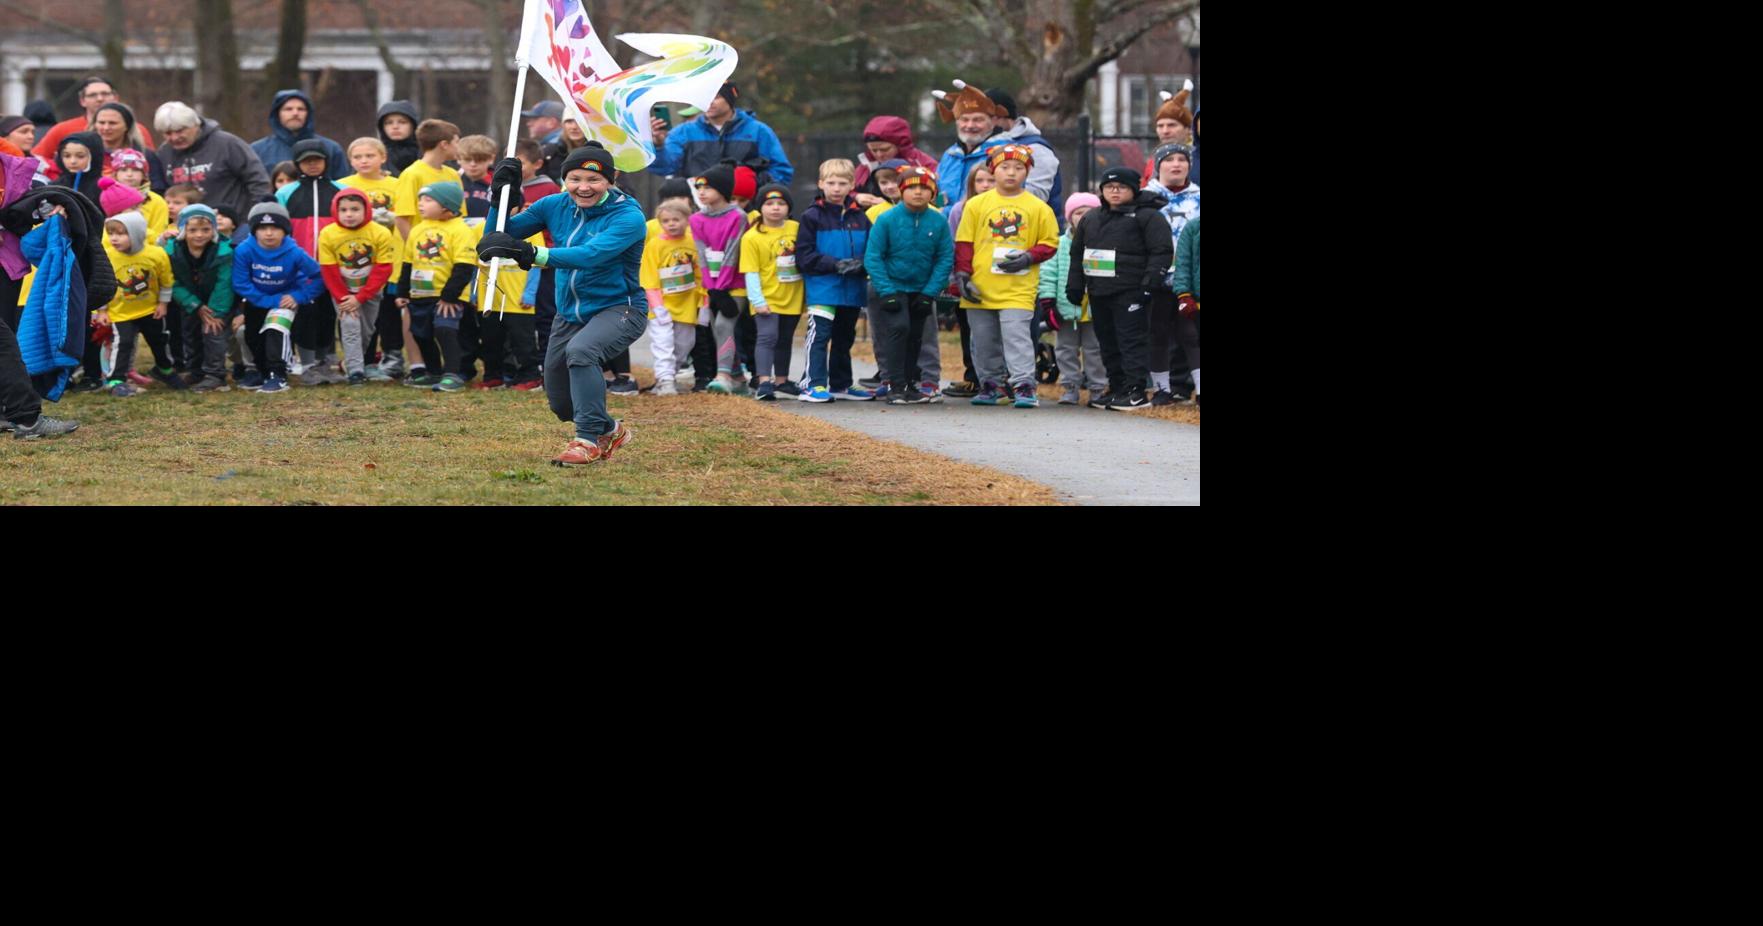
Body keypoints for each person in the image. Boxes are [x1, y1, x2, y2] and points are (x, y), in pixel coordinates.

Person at [478, 142, 647, 466]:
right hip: (568, 314)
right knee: (561, 404)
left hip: (619, 308)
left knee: (582, 351)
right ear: (564, 179)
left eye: (593, 180)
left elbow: (591, 255)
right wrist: (499, 200)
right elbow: (495, 239)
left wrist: (532, 254)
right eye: (575, 179)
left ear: (610, 181)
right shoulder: (553, 205)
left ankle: (585, 441)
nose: (583, 187)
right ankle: (609, 429)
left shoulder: (628, 216)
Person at [952, 144, 1059, 408]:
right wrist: (963, 275)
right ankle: (991, 384)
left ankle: (1023, 385)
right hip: (981, 286)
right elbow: (964, 242)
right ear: (993, 170)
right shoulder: (976, 205)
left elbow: (1049, 243)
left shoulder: (1038, 207)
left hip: (1018, 287)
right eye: (1004, 167)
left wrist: (1028, 256)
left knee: (1017, 338)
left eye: (1019, 168)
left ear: (1028, 172)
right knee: (983, 339)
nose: (1011, 173)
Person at [1064, 167, 1173, 412]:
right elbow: (1077, 254)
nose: (1115, 191)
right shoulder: (1091, 218)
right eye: (1109, 187)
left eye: (1122, 187)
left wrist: (1149, 284)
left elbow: (1161, 252)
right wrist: (1075, 285)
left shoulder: (1148, 216)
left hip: (1132, 290)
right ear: (1101, 190)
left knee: (1131, 341)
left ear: (1134, 189)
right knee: (1108, 341)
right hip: (1099, 290)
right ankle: (1117, 387)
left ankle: (1135, 392)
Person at [0, 148, 79, 438]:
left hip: (5, 263)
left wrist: (53, 206)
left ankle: (8, 412)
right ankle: (27, 418)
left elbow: (36, 198)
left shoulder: (14, 167)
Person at [864, 165, 952, 405]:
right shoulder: (887, 219)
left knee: (915, 335)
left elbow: (944, 258)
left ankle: (911, 383)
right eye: (912, 187)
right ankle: (894, 384)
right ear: (902, 190)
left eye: (924, 188)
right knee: (899, 329)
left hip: (921, 288)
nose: (918, 192)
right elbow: (873, 256)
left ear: (932, 193)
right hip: (892, 286)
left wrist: (931, 291)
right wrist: (886, 290)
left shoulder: (938, 221)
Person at [793, 158, 874, 403]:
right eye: (831, 183)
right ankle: (812, 383)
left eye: (842, 183)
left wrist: (862, 264)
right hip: (823, 286)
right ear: (821, 183)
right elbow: (804, 255)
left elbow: (872, 248)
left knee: (844, 337)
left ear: (852, 184)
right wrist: (834, 264)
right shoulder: (811, 216)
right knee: (819, 335)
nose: (836, 188)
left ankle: (841, 384)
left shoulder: (861, 217)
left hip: (852, 288)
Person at [232, 202, 323, 393]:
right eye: (263, 228)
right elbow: (241, 283)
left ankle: (278, 374)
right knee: (252, 336)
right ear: (254, 230)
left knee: (275, 328)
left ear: (285, 231)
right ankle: (262, 372)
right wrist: (266, 301)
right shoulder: (244, 250)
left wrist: (299, 296)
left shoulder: (295, 252)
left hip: (285, 301)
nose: (269, 233)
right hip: (257, 300)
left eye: (275, 228)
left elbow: (318, 277)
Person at [395, 181, 476, 392]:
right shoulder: (417, 230)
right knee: (420, 332)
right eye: (420, 199)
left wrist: (449, 296)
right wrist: (402, 292)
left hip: (448, 296)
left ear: (447, 206)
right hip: (420, 294)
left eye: (428, 200)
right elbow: (408, 263)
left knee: (445, 329)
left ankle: (453, 374)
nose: (421, 204)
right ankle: (433, 372)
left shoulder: (460, 230)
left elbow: (464, 266)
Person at [317, 188, 397, 385]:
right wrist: (344, 297)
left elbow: (383, 268)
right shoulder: (328, 233)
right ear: (336, 211)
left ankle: (352, 362)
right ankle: (355, 372)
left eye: (355, 209)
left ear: (366, 210)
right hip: (343, 294)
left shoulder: (380, 232)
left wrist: (361, 297)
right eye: (343, 210)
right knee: (350, 326)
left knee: (366, 330)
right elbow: (329, 269)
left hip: (370, 292)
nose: (349, 214)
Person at [1037, 193, 1107, 406]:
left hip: (1094, 310)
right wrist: (1048, 302)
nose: (1083, 217)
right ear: (1069, 217)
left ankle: (1097, 387)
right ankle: (1070, 387)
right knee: (1065, 349)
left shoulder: (1104, 243)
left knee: (1095, 350)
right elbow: (1048, 274)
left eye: (1089, 212)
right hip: (1065, 309)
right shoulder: (1059, 245)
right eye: (1078, 212)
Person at [648, 82, 794, 185]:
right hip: (695, 213)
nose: (709, 102)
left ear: (730, 100)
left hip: (747, 212)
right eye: (705, 97)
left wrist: (748, 187)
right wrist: (659, 146)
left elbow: (781, 171)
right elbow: (664, 168)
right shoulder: (683, 132)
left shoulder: (759, 131)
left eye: (716, 97)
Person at [99, 212, 178, 396]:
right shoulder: (108, 256)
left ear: (136, 233)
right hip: (121, 313)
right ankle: (116, 380)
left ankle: (165, 370)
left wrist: (163, 303)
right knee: (123, 344)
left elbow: (166, 280)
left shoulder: (156, 254)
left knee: (159, 340)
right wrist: (102, 311)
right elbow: (102, 285)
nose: (114, 238)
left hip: (151, 310)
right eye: (111, 233)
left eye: (120, 234)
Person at [155, 102, 271, 226]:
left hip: (231, 227)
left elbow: (258, 180)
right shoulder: (164, 153)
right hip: (187, 231)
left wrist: (254, 218)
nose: (174, 138)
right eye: (168, 133)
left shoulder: (227, 144)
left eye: (180, 131)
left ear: (195, 125)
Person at [740, 184, 803, 401]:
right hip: (766, 298)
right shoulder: (752, 237)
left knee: (785, 339)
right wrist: (757, 300)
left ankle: (782, 381)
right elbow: (751, 271)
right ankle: (764, 381)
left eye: (781, 203)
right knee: (767, 338)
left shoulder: (796, 228)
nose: (775, 208)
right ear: (760, 208)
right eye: (769, 203)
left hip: (793, 295)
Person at [163, 204, 234, 391]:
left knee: (212, 331)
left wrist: (215, 312)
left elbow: (224, 283)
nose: (199, 235)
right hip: (189, 300)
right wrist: (194, 305)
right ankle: (196, 371)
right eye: (192, 230)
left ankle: (215, 374)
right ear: (182, 230)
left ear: (214, 230)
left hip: (217, 303)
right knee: (190, 333)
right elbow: (171, 281)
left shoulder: (224, 251)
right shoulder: (172, 251)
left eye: (205, 229)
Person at [639, 197, 700, 397]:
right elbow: (648, 276)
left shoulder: (694, 241)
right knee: (663, 343)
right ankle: (665, 380)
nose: (671, 224)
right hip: (662, 305)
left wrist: (703, 300)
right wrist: (657, 306)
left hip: (687, 303)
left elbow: (700, 272)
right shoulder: (655, 245)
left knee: (685, 344)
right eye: (666, 221)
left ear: (687, 219)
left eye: (676, 219)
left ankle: (670, 376)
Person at [31, 76, 157, 172]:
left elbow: (149, 164)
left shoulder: (137, 130)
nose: (100, 99)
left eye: (105, 94)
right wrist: (62, 168)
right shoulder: (63, 130)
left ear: (116, 97)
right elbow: (36, 159)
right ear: (82, 101)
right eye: (93, 95)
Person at [983, 89, 1063, 216]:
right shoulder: (985, 145)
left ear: (1002, 116)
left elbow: (1037, 195)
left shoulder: (1035, 148)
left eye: (985, 118)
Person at [932, 80, 1010, 210]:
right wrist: (939, 209)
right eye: (964, 119)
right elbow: (939, 194)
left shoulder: (1005, 154)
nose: (969, 125)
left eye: (978, 120)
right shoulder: (950, 155)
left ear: (994, 121)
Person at [251, 90, 348, 181]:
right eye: (288, 109)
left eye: (301, 109)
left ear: (308, 113)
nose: (295, 113)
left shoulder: (331, 149)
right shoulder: (257, 151)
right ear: (277, 114)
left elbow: (343, 189)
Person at [853, 116, 939, 207]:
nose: (879, 155)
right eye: (873, 150)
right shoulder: (867, 164)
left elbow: (938, 196)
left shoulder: (923, 164)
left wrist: (889, 204)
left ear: (900, 145)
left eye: (885, 149)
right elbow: (846, 188)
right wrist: (857, 196)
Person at [92, 103, 167, 191]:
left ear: (127, 126)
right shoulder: (87, 155)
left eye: (113, 123)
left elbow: (157, 188)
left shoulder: (145, 155)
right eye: (101, 122)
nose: (106, 127)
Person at [1169, 214, 1199, 405]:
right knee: (1193, 343)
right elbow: (1183, 263)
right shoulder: (1193, 227)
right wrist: (1183, 294)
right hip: (1196, 299)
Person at [1142, 81, 1194, 186]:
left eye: (1172, 125)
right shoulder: (1154, 158)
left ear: (1188, 129)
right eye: (1160, 126)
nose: (1165, 131)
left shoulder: (1196, 157)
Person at [376, 100, 421, 176]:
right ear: (382, 127)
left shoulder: (428, 154)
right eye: (389, 123)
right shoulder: (372, 155)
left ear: (413, 125)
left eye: (402, 122)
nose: (395, 127)